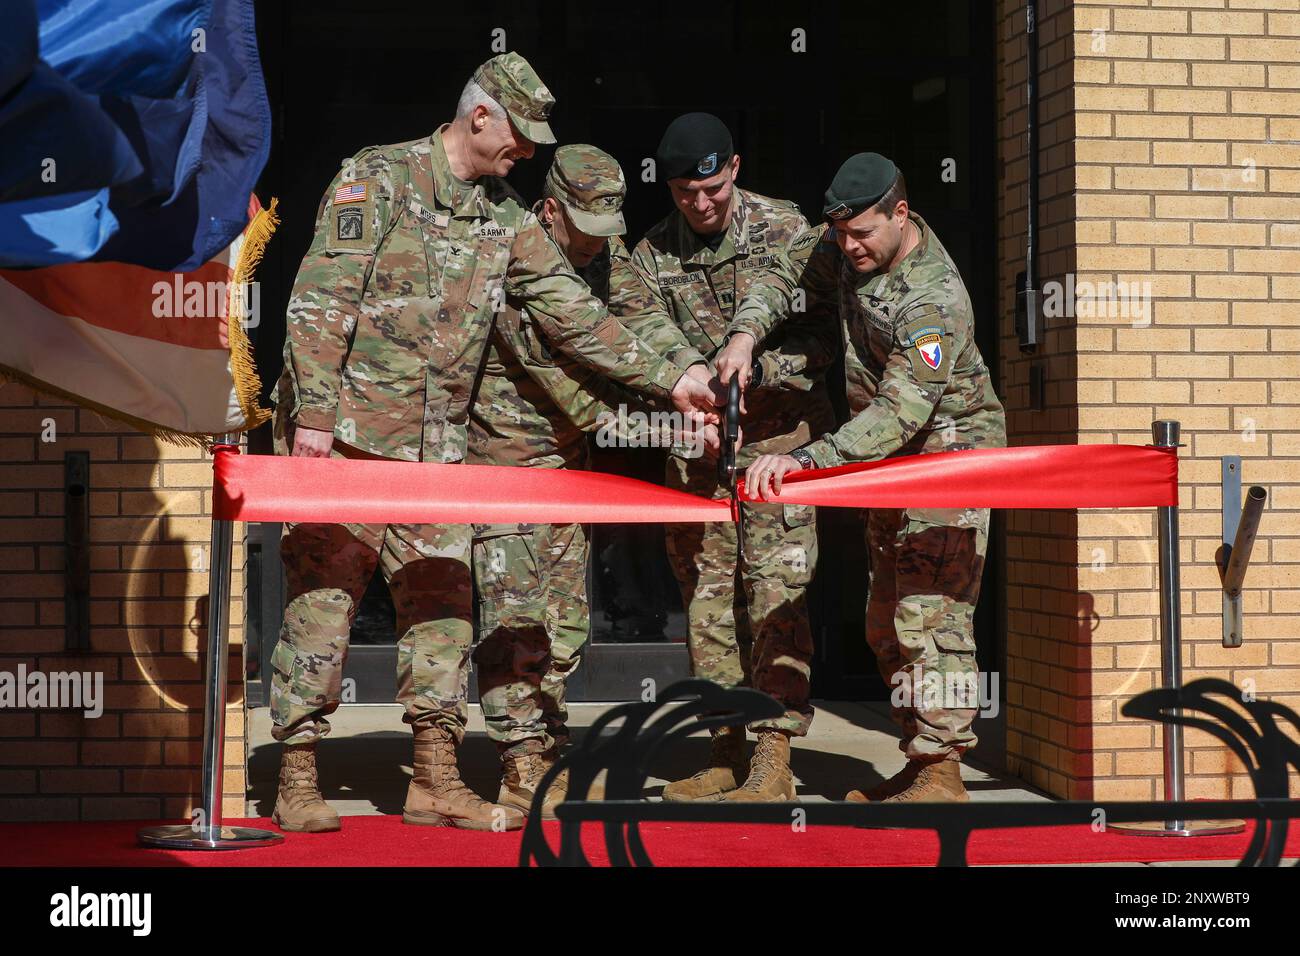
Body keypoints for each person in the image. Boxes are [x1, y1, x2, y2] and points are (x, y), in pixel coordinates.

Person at [268, 53, 721, 833]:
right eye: (519, 134)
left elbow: (571, 309)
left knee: (441, 606)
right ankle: (298, 773)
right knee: (324, 604)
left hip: (440, 450)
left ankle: (435, 777)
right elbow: (319, 298)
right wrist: (312, 418)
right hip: (348, 439)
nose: (528, 150)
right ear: (480, 116)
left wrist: (674, 374)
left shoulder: (507, 215)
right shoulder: (377, 179)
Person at [747, 152, 1007, 803]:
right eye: (840, 234)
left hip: (945, 468)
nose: (847, 246)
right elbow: (783, 272)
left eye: (861, 233)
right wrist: (742, 336)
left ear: (900, 213)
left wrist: (807, 461)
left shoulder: (933, 299)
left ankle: (943, 771)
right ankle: (921, 762)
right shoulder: (846, 246)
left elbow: (902, 412)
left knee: (932, 621)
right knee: (886, 623)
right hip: (888, 472)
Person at [467, 144, 709, 816]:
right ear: (550, 212)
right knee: (514, 618)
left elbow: (641, 314)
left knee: (563, 623)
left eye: (608, 230)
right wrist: (670, 398)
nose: (597, 246)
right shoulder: (516, 256)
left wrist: (694, 366)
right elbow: (581, 346)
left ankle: (554, 751)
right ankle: (521, 766)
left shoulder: (600, 246)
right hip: (507, 461)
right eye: (584, 230)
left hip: (568, 467)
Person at [620, 113, 840, 803]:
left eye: (712, 187)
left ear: (735, 169)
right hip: (698, 455)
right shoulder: (650, 255)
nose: (702, 203)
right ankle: (723, 747)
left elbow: (829, 339)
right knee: (709, 604)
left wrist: (759, 369)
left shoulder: (788, 233)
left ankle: (773, 759)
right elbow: (641, 353)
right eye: (687, 192)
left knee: (777, 602)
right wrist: (686, 395)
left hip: (781, 449)